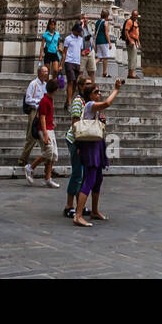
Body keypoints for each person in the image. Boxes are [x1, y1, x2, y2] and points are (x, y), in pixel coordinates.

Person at [74, 78, 123, 227]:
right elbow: (108, 103)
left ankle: (94, 211)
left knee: (98, 178)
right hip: (90, 146)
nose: (99, 94)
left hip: (97, 144)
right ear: (90, 95)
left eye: (99, 92)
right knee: (89, 179)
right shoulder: (90, 105)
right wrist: (116, 89)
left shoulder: (94, 109)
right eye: (96, 92)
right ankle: (78, 215)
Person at [63, 74, 92, 218]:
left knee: (83, 173)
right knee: (77, 173)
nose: (89, 86)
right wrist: (79, 143)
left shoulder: (88, 101)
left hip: (84, 140)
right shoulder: (78, 101)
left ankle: (80, 204)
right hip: (75, 140)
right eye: (87, 84)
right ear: (80, 87)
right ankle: (69, 205)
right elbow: (75, 124)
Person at [25, 78, 60, 188]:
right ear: (55, 90)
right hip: (44, 130)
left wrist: (52, 123)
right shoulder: (44, 101)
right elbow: (42, 118)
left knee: (53, 155)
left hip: (49, 128)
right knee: (49, 151)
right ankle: (30, 167)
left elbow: (47, 116)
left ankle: (48, 178)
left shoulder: (50, 99)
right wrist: (45, 134)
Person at [19, 64, 49, 167]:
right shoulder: (33, 84)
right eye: (44, 72)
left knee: (44, 137)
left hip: (43, 113)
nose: (46, 74)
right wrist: (38, 102)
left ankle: (48, 162)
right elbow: (28, 99)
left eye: (47, 72)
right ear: (39, 73)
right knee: (31, 136)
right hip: (34, 111)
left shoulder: (45, 85)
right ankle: (23, 159)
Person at [63, 21, 84, 110]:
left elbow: (81, 50)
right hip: (69, 61)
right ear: (74, 30)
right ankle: (70, 103)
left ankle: (68, 100)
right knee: (71, 81)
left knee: (75, 83)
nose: (79, 33)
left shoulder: (80, 39)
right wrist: (61, 64)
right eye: (78, 31)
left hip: (77, 62)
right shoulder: (68, 39)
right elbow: (64, 52)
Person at [124, 10, 140, 78]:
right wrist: (130, 40)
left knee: (134, 58)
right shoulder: (129, 21)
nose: (135, 16)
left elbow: (136, 34)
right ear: (132, 15)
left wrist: (138, 42)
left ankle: (131, 73)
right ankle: (131, 74)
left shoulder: (135, 22)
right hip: (131, 42)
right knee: (132, 58)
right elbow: (126, 31)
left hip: (135, 41)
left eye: (136, 15)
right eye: (134, 15)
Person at [95, 10, 111, 78]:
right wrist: (109, 42)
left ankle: (91, 65)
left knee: (99, 57)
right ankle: (105, 72)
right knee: (105, 57)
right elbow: (106, 33)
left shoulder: (97, 22)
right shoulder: (105, 23)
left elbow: (95, 32)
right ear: (107, 16)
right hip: (104, 41)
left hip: (98, 41)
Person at [80, 13, 97, 80]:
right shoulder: (79, 27)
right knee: (80, 72)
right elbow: (79, 35)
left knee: (92, 71)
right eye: (83, 18)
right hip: (82, 52)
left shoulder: (89, 27)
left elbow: (91, 37)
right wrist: (81, 25)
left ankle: (92, 88)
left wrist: (93, 46)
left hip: (90, 51)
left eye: (86, 18)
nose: (85, 20)